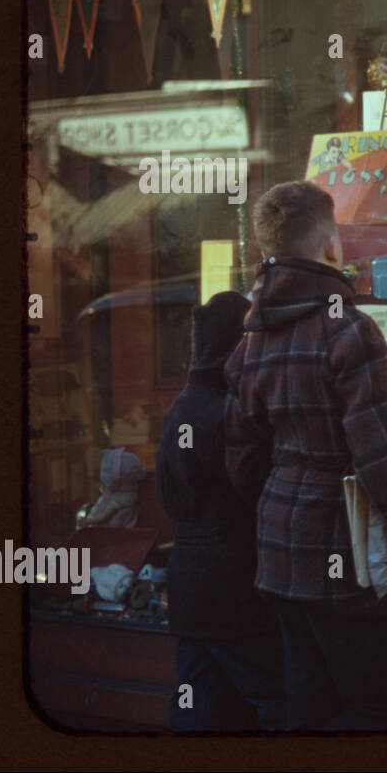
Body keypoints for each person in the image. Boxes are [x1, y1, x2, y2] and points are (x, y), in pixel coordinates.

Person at [225, 180, 387, 731]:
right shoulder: (349, 332)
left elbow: (242, 461)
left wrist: (285, 500)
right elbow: (382, 454)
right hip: (348, 555)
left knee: (309, 701)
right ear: (331, 246)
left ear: (266, 251)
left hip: (282, 553)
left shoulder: (250, 342)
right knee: (384, 705)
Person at [157, 292, 286, 732]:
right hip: (229, 586)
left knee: (200, 704)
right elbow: (243, 487)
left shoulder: (184, 407)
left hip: (193, 586)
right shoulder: (222, 411)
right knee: (275, 701)